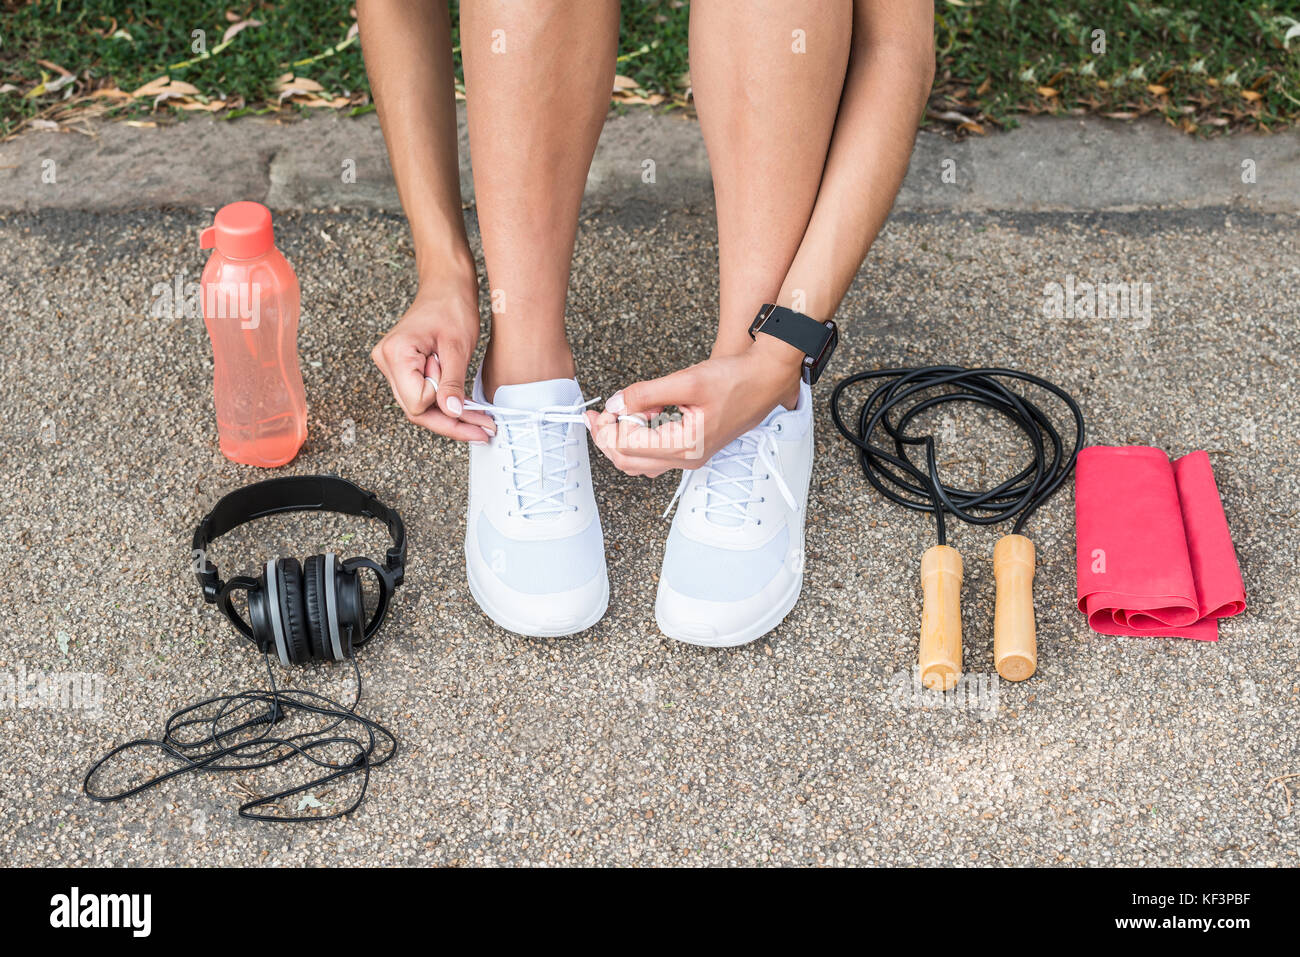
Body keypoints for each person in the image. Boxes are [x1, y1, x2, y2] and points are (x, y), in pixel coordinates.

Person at [358, 0, 934, 644]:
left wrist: (780, 350)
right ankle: (524, 366)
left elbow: (894, 42)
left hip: (771, 331)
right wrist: (444, 272)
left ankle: (753, 381)